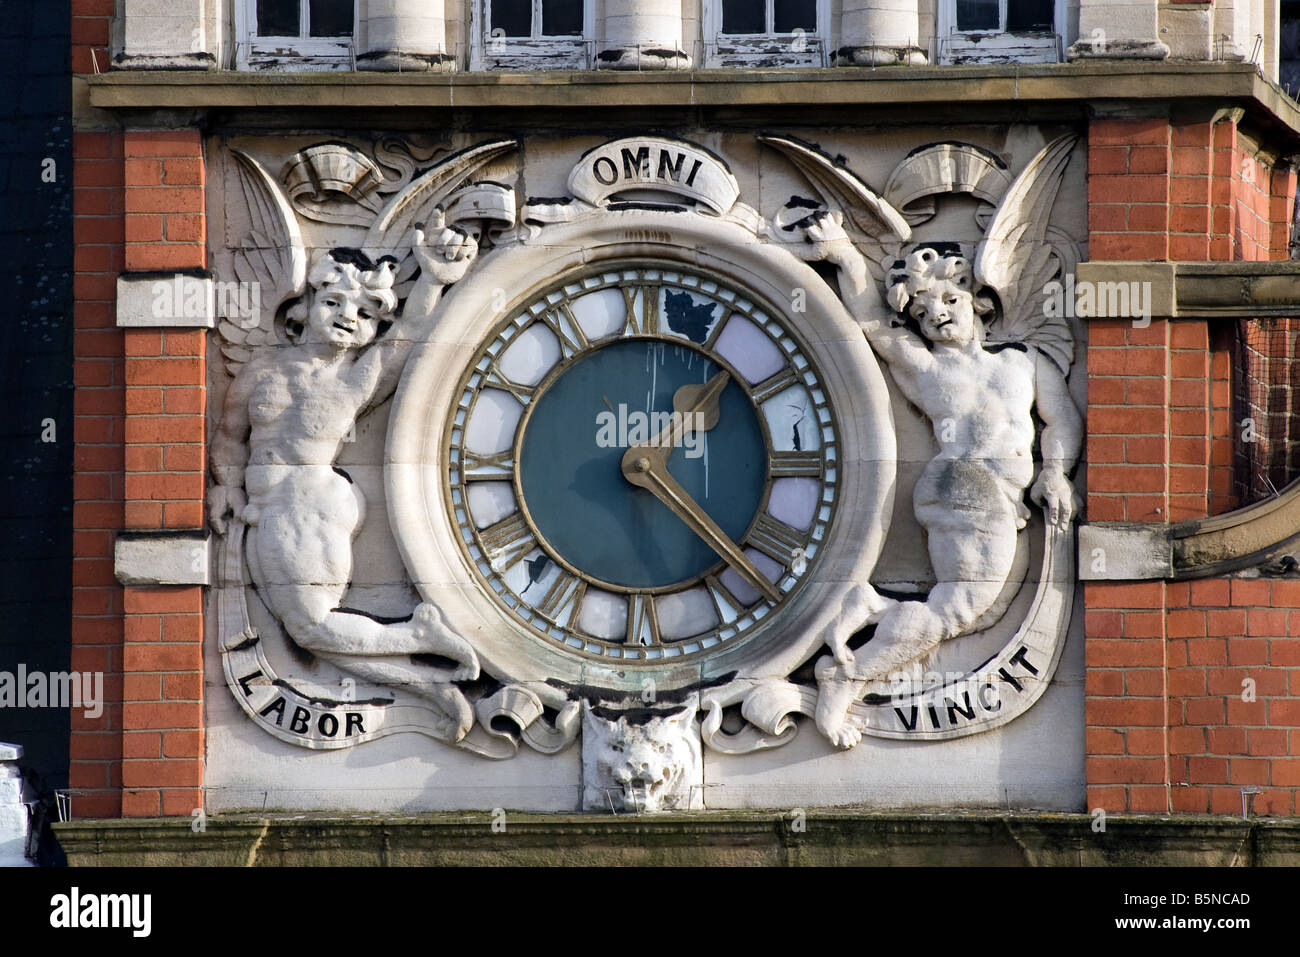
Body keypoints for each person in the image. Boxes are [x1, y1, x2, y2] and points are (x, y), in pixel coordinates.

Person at [790, 212, 1082, 748]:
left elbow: (1062, 418)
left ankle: (872, 607)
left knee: (965, 610)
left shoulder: (1024, 360)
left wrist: (1055, 473)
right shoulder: (927, 369)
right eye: (923, 313)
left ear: (977, 302)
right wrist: (846, 257)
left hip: (989, 496)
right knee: (958, 611)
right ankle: (845, 680)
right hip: (965, 490)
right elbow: (876, 325)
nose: (938, 315)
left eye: (949, 301)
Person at [209, 217, 482, 738]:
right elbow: (227, 436)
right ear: (307, 305)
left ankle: (416, 637)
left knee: (311, 624)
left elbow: (408, 335)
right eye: (333, 302)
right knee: (308, 631)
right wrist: (225, 484)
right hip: (263, 511)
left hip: (308, 504)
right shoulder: (260, 369)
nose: (343, 318)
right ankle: (423, 676)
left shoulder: (356, 378)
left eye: (360, 313)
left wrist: (432, 280)